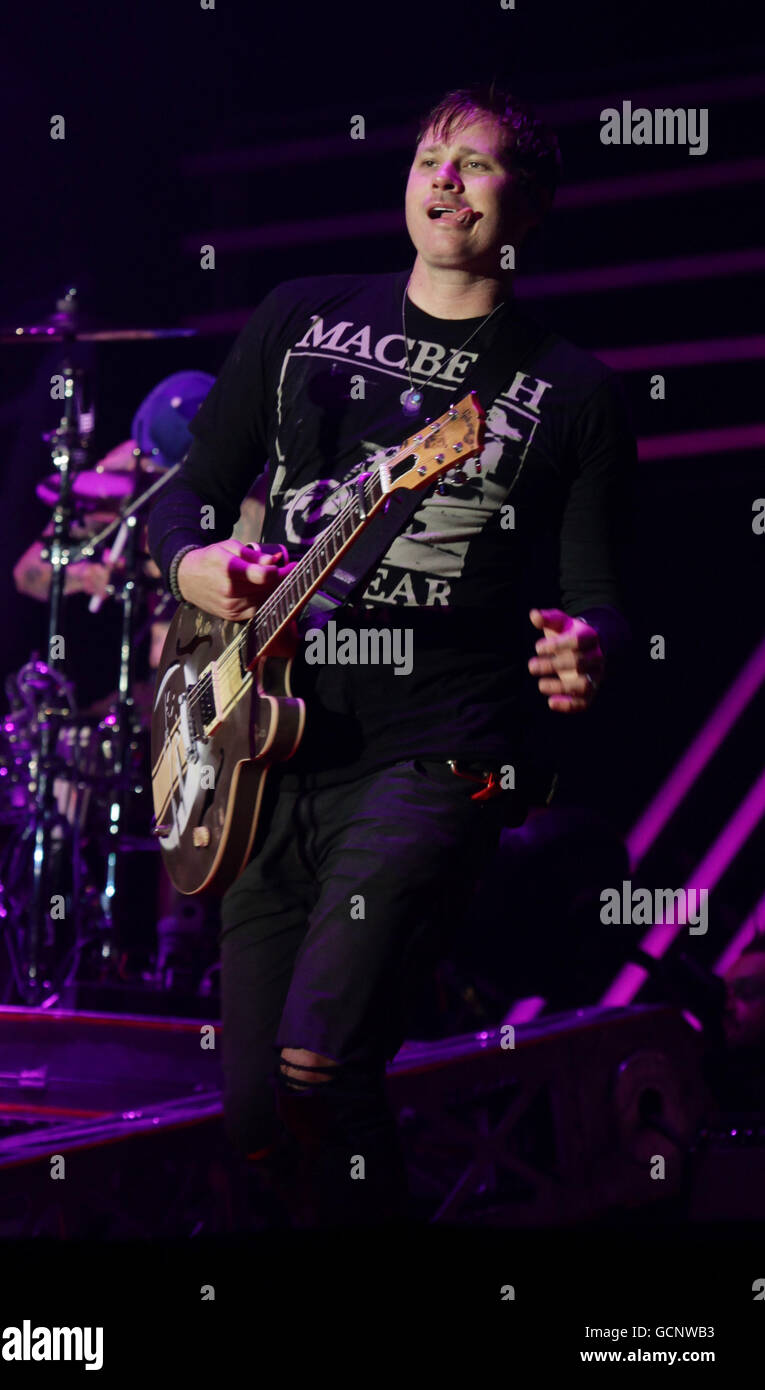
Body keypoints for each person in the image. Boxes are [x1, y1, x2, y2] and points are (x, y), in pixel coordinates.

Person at [148, 82, 637, 1229]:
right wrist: (192, 568)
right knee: (257, 1116)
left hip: (433, 753)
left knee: (321, 1066)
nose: (445, 176)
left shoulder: (571, 392)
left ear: (532, 207)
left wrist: (589, 649)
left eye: (479, 161)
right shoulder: (297, 318)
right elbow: (193, 496)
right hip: (262, 755)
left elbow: (600, 600)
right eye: (429, 154)